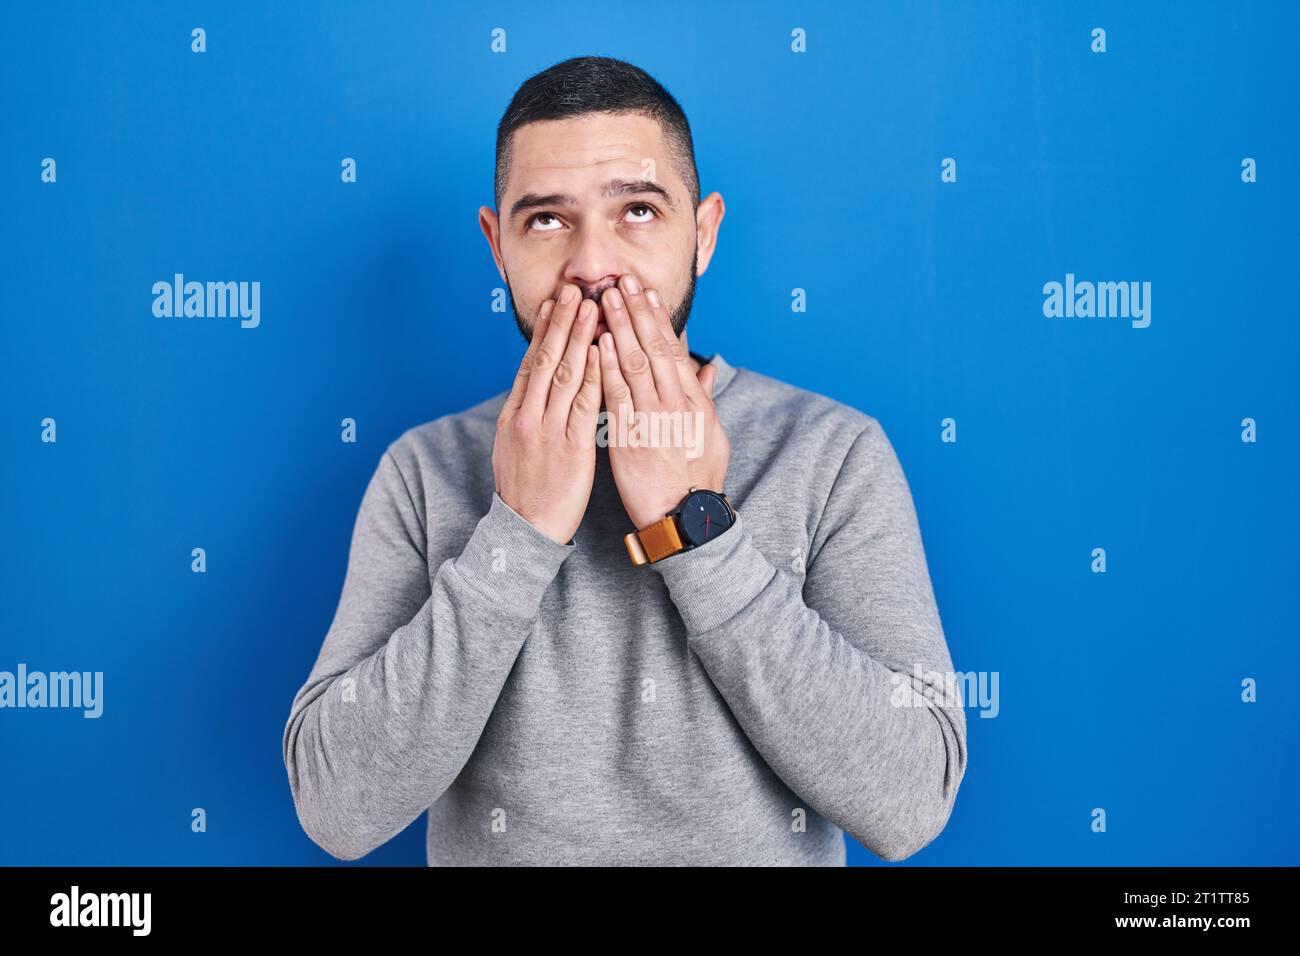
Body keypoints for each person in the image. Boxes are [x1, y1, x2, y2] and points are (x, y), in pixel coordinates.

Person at [282, 55, 967, 865]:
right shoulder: (423, 470)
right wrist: (520, 529)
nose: (593, 263)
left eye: (637, 209)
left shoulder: (832, 453)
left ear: (702, 234)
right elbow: (337, 810)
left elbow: (912, 802)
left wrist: (698, 531)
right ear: (496, 245)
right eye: (545, 220)